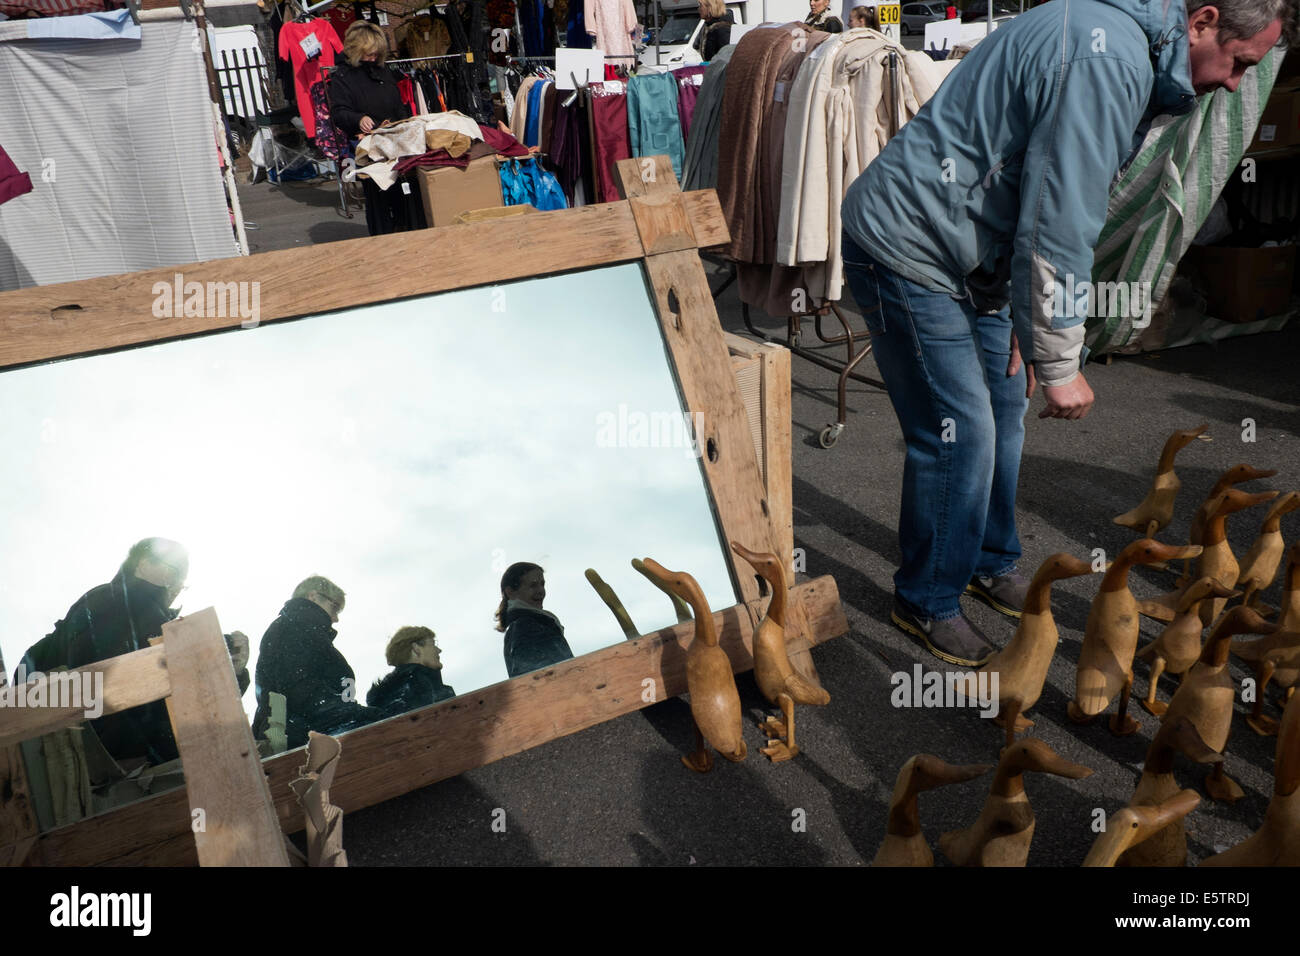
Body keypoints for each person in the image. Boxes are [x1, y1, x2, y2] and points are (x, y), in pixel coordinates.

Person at [839, 0, 1287, 667]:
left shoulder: (1121, 44)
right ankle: (927, 597)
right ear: (1203, 22)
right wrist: (1059, 357)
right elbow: (1060, 218)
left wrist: (1032, 316)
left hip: (976, 255)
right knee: (962, 428)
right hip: (909, 246)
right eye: (1241, 63)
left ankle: (989, 562)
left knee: (1003, 412)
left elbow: (1044, 193)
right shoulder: (1106, 58)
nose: (1234, 84)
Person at [21, 538, 250, 768]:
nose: (176, 585)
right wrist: (216, 666)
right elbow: (125, 700)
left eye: (182, 581)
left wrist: (228, 670)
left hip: (85, 754)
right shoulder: (125, 603)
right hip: (117, 761)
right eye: (173, 571)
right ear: (141, 564)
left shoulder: (121, 607)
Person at [251, 575, 383, 749]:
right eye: (334, 607)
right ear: (313, 597)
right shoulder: (292, 628)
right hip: (298, 741)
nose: (336, 618)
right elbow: (300, 689)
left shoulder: (307, 632)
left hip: (312, 735)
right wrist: (354, 715)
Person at [328, 20, 423, 236]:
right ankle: (383, 237)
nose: (372, 58)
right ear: (356, 51)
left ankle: (408, 230)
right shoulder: (342, 77)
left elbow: (398, 105)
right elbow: (339, 112)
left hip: (395, 142)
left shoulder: (384, 72)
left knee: (405, 191)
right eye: (368, 54)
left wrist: (399, 122)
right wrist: (358, 118)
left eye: (375, 54)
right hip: (367, 147)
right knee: (378, 197)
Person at [496, 562, 574, 677]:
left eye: (542, 584)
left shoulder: (535, 623)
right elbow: (537, 676)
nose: (540, 590)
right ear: (510, 592)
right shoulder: (524, 626)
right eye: (533, 585)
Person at [367, 625, 457, 714]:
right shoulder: (421, 688)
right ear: (416, 648)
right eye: (433, 644)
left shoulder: (384, 699)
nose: (439, 650)